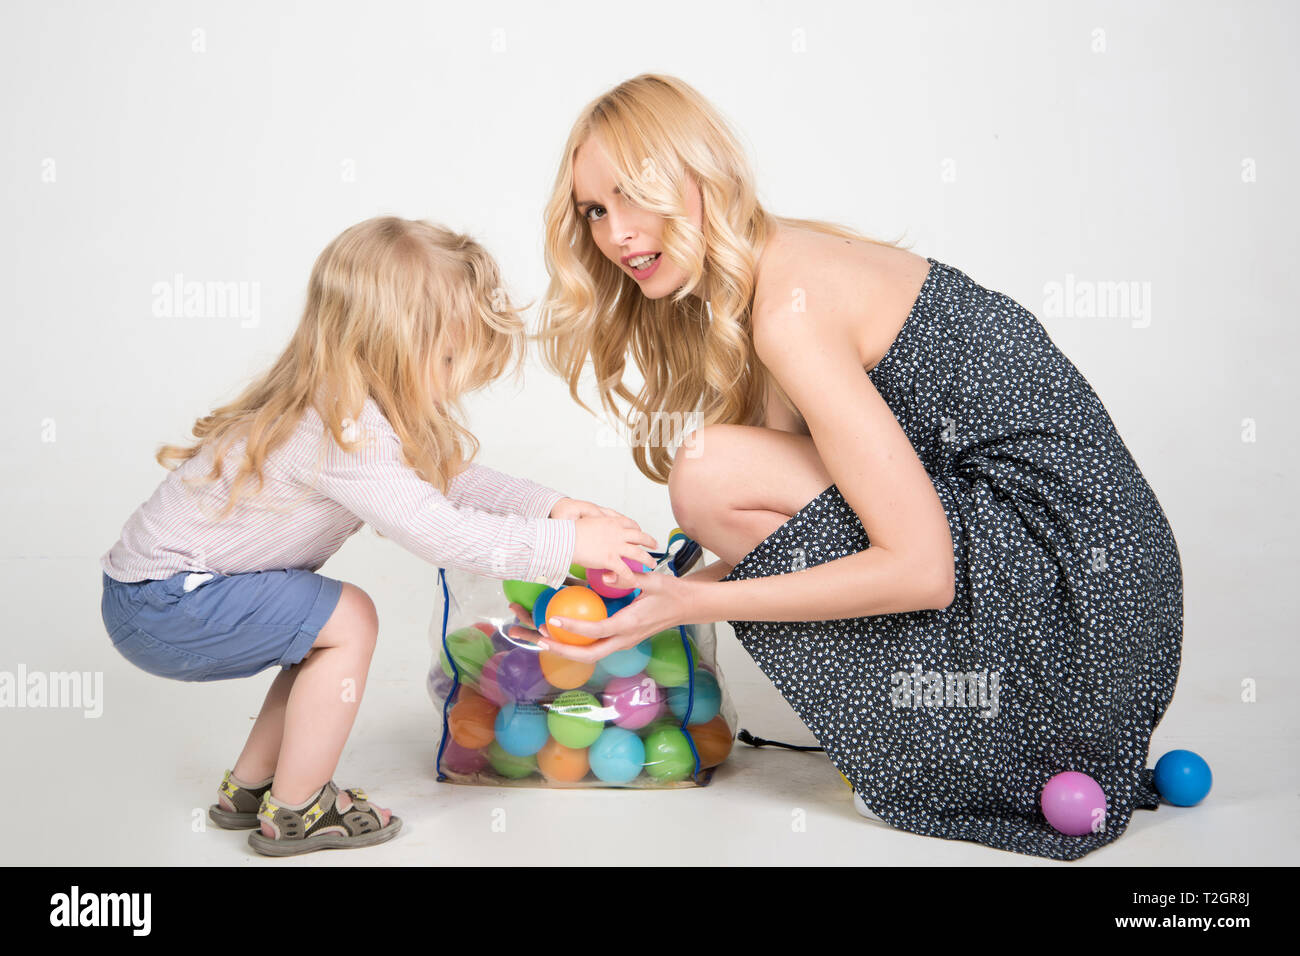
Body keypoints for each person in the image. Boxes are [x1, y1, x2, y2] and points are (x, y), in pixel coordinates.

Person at [526, 74, 1184, 861]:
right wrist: (656, 592)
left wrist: (692, 605)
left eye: (634, 194)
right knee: (720, 478)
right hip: (1095, 586)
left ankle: (977, 747)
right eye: (595, 211)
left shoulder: (790, 311)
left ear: (700, 175)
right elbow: (798, 530)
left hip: (1082, 603)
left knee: (708, 472)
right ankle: (968, 737)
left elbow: (921, 570)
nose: (618, 234)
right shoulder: (772, 267)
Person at [100, 216, 657, 856]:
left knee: (319, 630)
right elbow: (439, 531)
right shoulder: (345, 429)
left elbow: (448, 478)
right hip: (167, 600)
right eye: (446, 358)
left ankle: (253, 787)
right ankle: (300, 810)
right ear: (391, 345)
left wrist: (553, 507)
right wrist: (566, 547)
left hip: (154, 594)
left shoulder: (343, 406)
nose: (455, 377)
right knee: (349, 617)